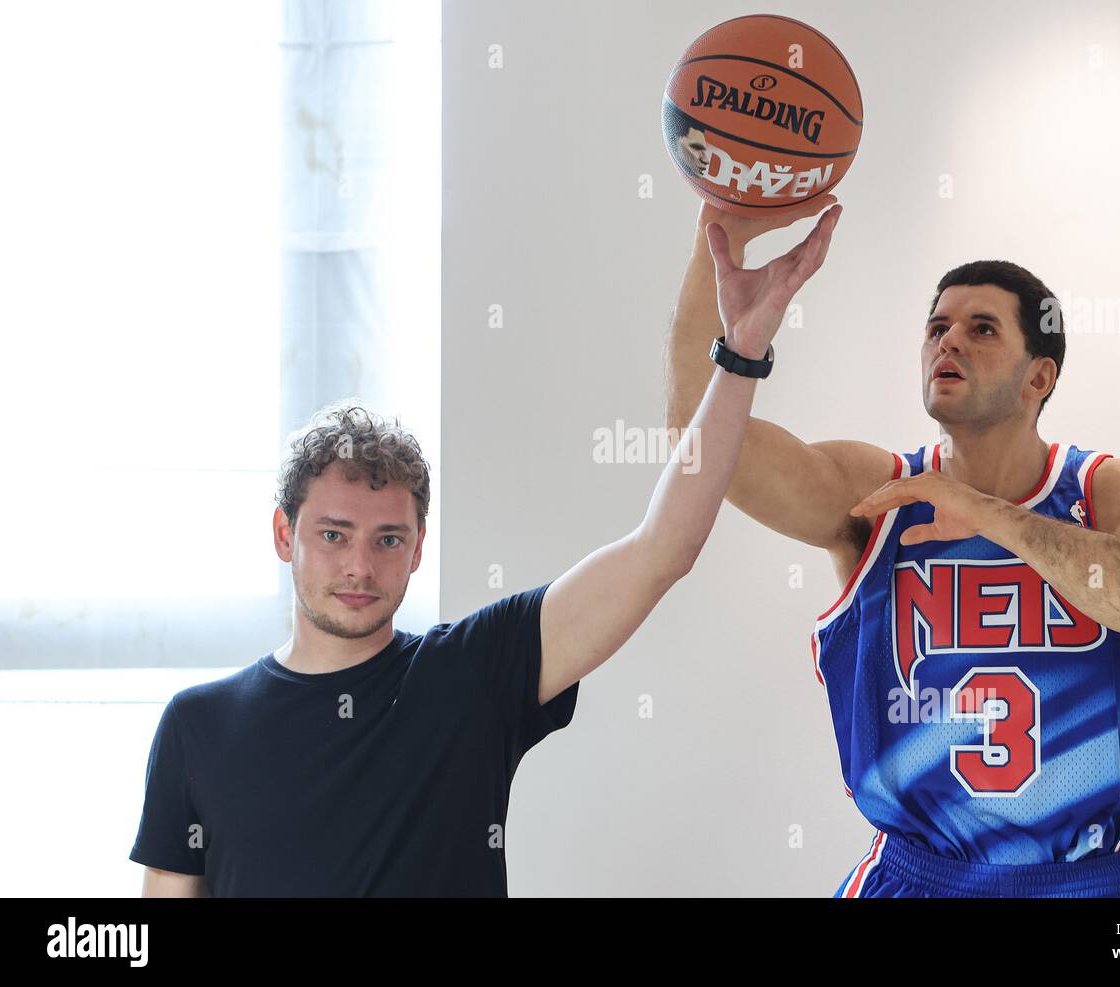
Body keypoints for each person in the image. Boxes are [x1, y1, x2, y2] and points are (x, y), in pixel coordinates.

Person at [126, 206, 840, 898]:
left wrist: (742, 352)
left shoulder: (472, 672)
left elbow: (662, 549)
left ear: (418, 547)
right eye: (333, 534)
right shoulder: (197, 727)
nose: (359, 566)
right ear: (285, 535)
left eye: (388, 539)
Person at [666, 197, 1120, 898]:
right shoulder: (881, 493)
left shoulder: (1108, 489)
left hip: (1083, 881)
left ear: (1039, 377)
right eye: (937, 326)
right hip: (916, 876)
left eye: (981, 327)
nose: (947, 340)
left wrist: (996, 518)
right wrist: (725, 290)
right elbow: (701, 451)